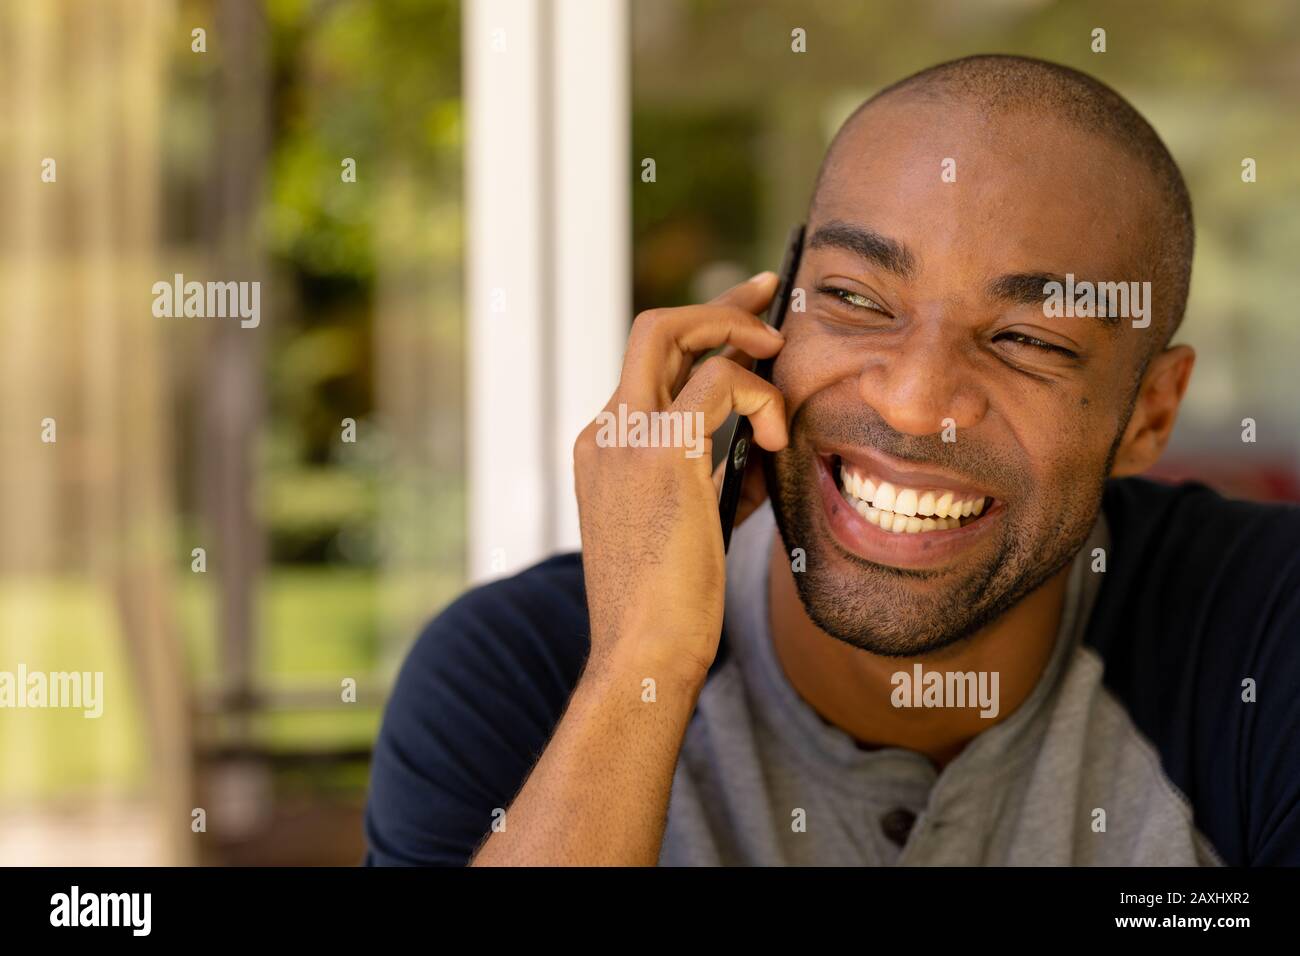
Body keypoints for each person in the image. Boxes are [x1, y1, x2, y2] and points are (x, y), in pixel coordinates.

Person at [364, 54, 1300, 866]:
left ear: (1149, 413)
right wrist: (642, 665)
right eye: (854, 297)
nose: (914, 398)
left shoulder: (1267, 636)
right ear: (764, 330)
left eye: (1027, 338)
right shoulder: (513, 673)